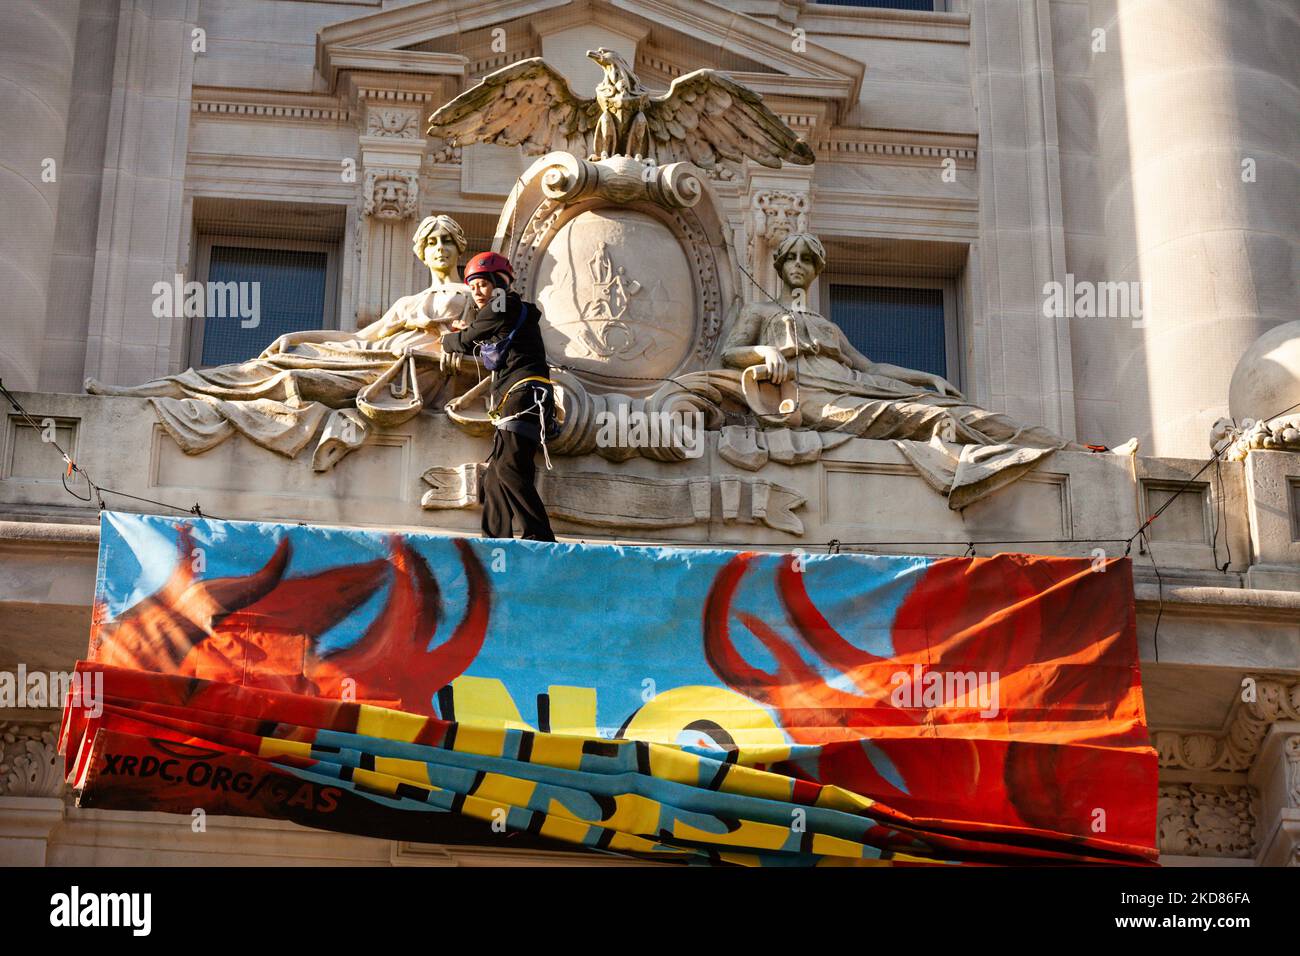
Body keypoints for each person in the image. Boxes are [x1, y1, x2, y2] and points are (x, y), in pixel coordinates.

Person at [85, 215, 476, 469]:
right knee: (264, 367)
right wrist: (298, 335)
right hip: (366, 358)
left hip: (394, 375)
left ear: (460, 247)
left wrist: (422, 352)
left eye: (446, 240)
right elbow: (359, 338)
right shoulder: (407, 303)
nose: (439, 247)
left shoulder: (472, 296)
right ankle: (137, 393)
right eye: (432, 242)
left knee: (280, 377)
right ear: (422, 253)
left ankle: (163, 395)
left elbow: (468, 354)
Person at [440, 252, 557, 541]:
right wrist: (472, 332)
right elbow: (487, 336)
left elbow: (466, 341)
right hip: (531, 398)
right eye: (472, 287)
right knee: (495, 475)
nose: (476, 292)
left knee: (507, 468)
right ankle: (495, 539)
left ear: (499, 283)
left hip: (521, 397)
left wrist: (445, 338)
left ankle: (540, 537)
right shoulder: (517, 310)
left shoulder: (500, 306)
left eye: (481, 284)